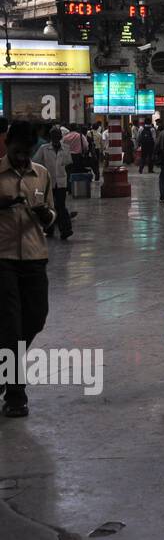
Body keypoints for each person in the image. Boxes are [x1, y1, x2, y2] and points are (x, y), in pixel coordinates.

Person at [0, 123, 56, 417]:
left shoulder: (42, 175)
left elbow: (51, 218)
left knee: (35, 318)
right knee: (11, 324)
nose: (22, 157)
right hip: (3, 257)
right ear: (7, 144)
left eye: (27, 152)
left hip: (35, 256)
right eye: (17, 151)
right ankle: (16, 394)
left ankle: (3, 367)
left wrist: (44, 213)